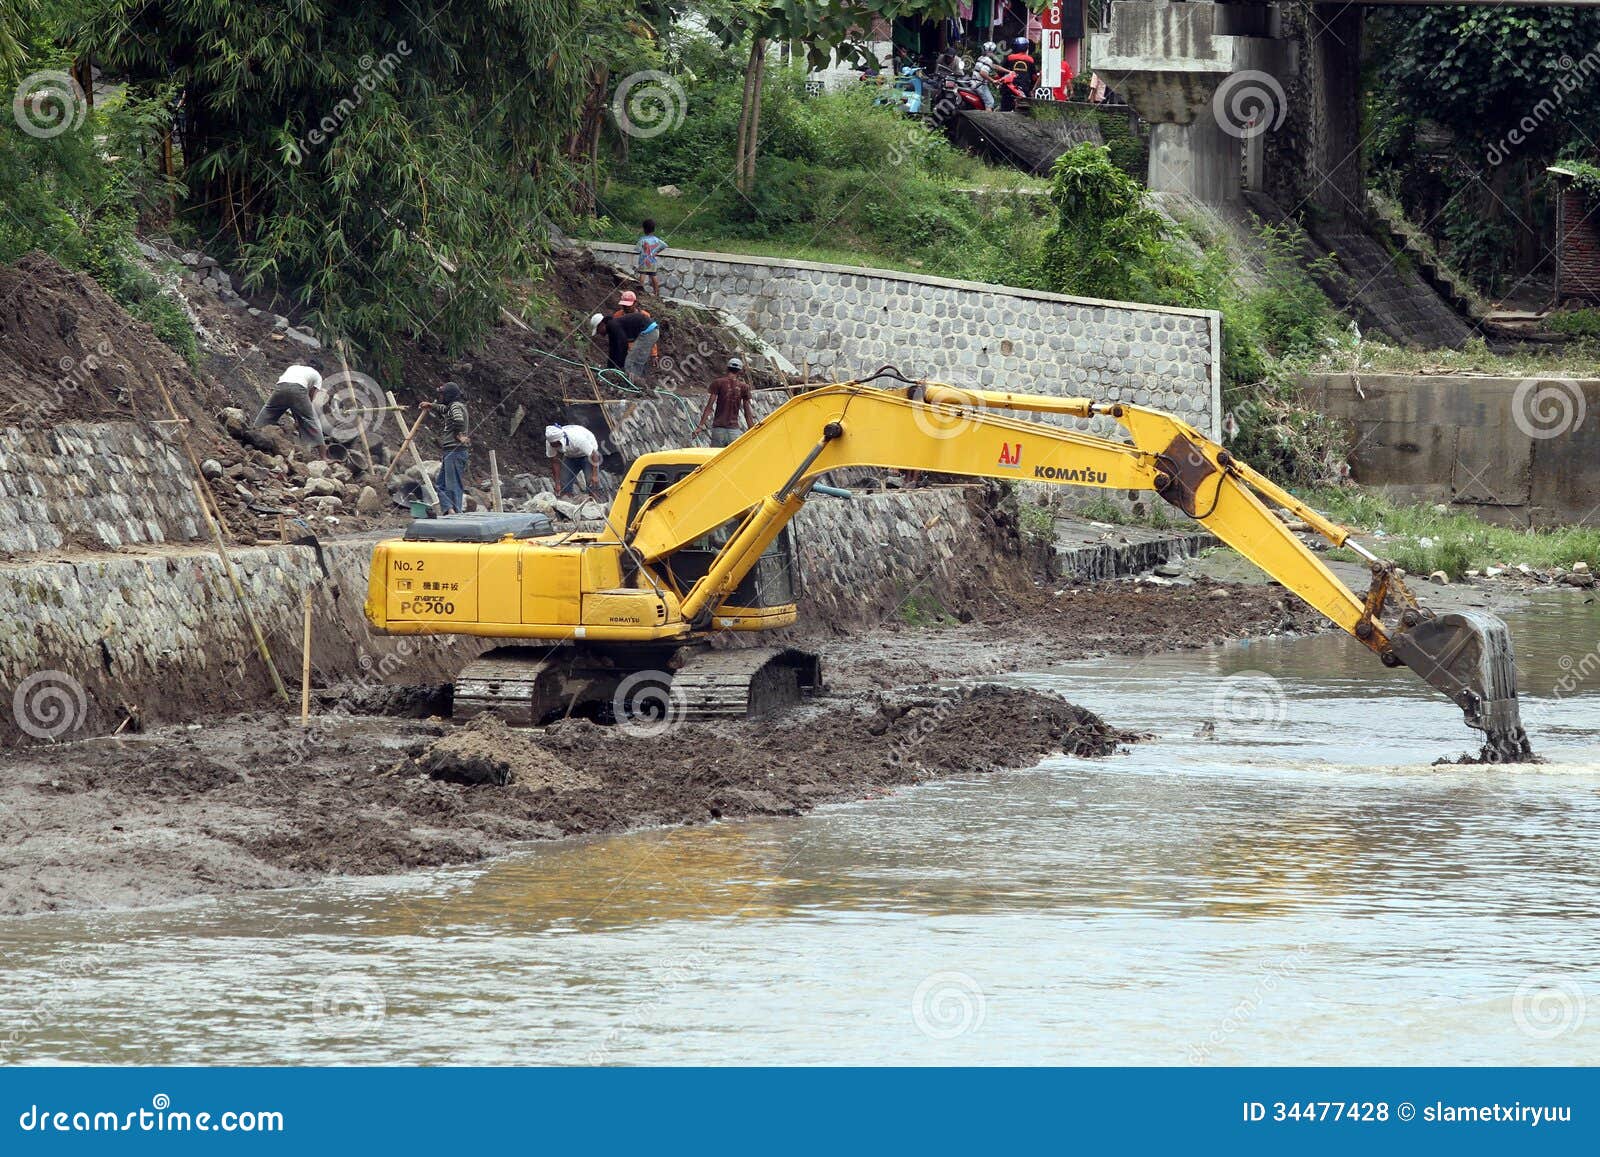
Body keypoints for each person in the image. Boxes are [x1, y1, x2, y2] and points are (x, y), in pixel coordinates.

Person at [251, 363, 327, 457]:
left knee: (268, 410)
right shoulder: (317, 375)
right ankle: (324, 456)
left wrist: (297, 418)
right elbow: (310, 396)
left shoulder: (294, 367)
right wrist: (305, 414)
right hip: (299, 389)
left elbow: (292, 400)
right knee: (311, 420)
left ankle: (253, 433)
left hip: (281, 387)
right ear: (320, 371)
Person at [693, 358, 757, 448]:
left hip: (718, 429)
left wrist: (700, 426)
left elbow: (709, 407)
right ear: (740, 371)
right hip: (734, 430)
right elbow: (747, 413)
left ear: (727, 369)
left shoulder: (718, 383)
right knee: (733, 459)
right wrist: (752, 431)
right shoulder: (744, 387)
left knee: (716, 459)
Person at [592, 308, 659, 386]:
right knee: (636, 360)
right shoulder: (612, 326)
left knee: (631, 361)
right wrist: (609, 369)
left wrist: (620, 366)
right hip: (650, 331)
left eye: (598, 330)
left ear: (601, 324)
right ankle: (638, 382)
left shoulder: (613, 325)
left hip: (649, 332)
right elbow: (613, 350)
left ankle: (633, 385)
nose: (599, 333)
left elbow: (623, 344)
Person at [432, 382, 471, 516]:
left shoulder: (455, 407)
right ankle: (449, 511)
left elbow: (458, 420)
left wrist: (457, 435)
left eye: (443, 394)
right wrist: (431, 406)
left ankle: (456, 515)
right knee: (441, 484)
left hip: (455, 451)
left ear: (448, 395)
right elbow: (445, 409)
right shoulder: (454, 406)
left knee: (453, 485)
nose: (441, 397)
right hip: (451, 452)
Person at [545, 423, 603, 497]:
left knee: (591, 482)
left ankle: (595, 499)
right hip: (570, 455)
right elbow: (555, 461)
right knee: (565, 483)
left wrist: (595, 475)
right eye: (552, 444)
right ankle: (567, 499)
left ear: (560, 440)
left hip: (588, 455)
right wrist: (557, 483)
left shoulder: (577, 438)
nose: (554, 446)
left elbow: (594, 455)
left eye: (556, 444)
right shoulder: (550, 443)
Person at [1002, 36, 1036, 110]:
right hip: (1024, 88)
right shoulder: (1030, 59)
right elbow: (1034, 76)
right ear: (1026, 47)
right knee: (1025, 109)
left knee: (1005, 107)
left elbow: (1001, 70)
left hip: (1009, 86)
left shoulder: (1010, 57)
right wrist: (1031, 88)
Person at [635, 220, 666, 295]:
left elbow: (638, 249)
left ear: (644, 229)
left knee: (642, 274)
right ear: (654, 229)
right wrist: (656, 252)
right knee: (653, 276)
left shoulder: (642, 239)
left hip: (644, 261)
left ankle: (640, 291)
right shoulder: (656, 240)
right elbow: (664, 245)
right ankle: (656, 292)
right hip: (653, 261)